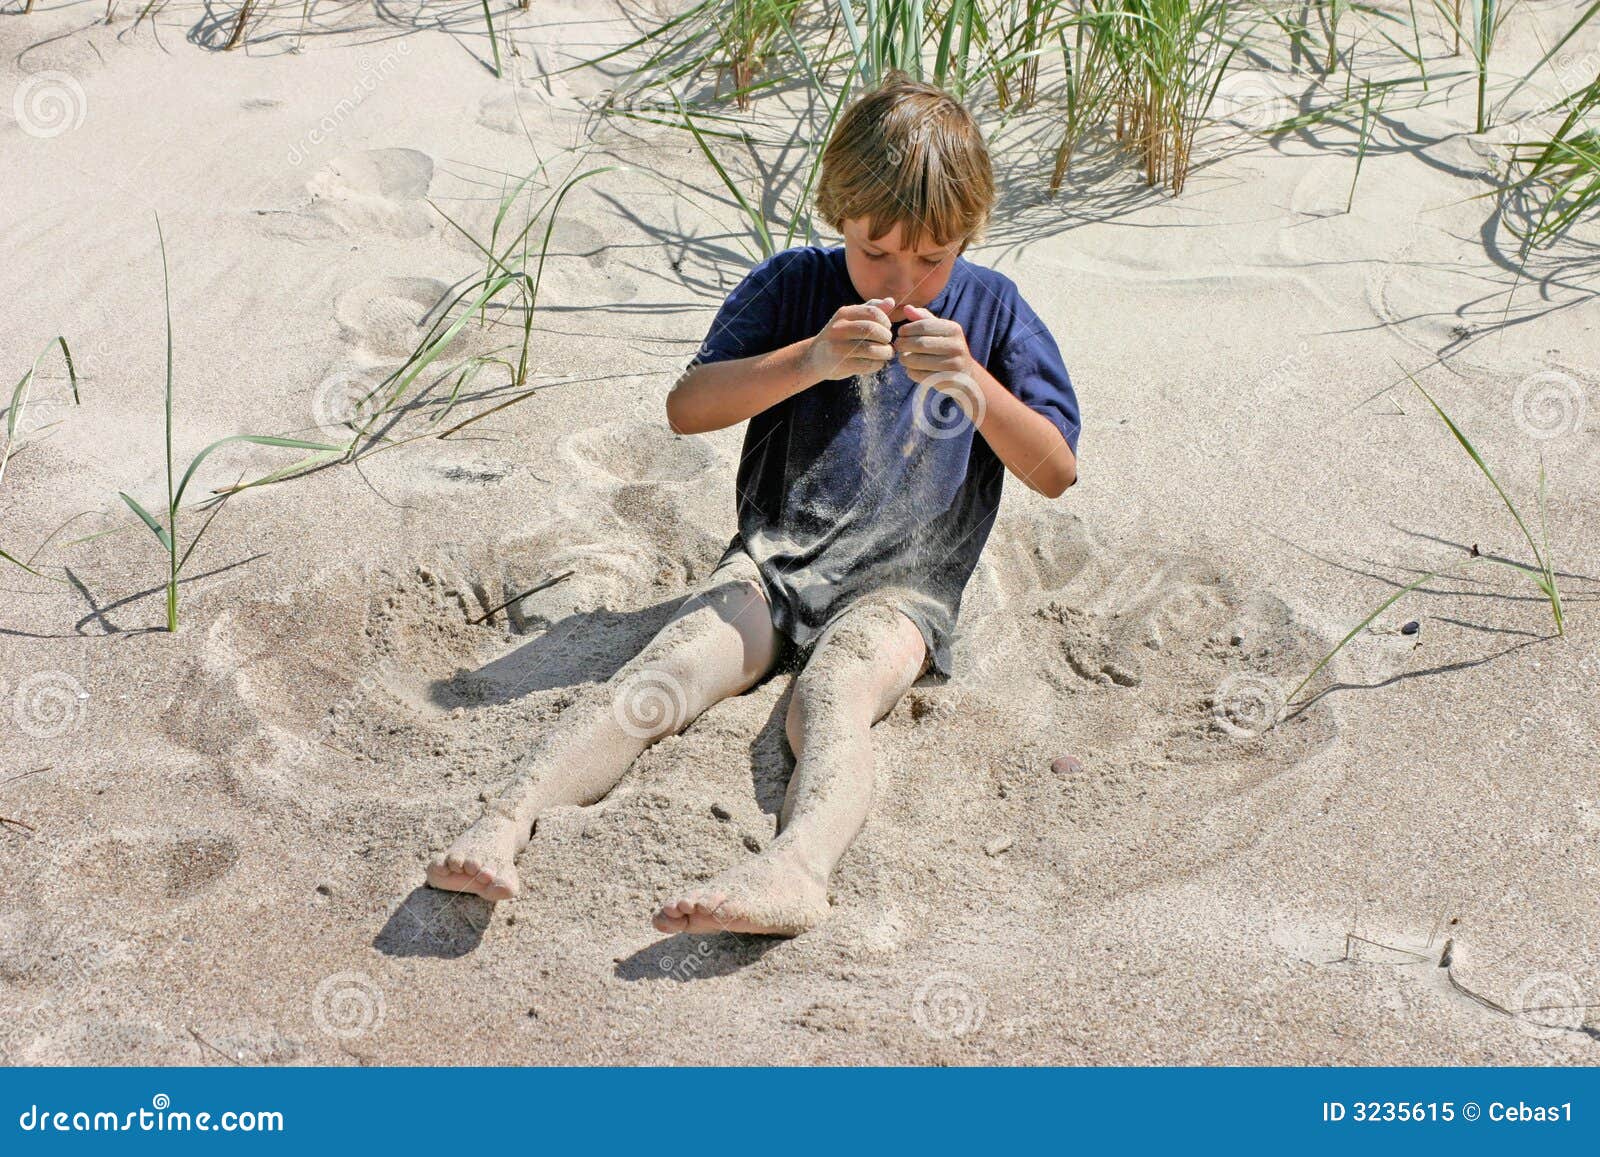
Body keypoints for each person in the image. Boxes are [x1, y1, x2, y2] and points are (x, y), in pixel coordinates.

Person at [426, 70, 1081, 937]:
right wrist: (809, 359)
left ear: (967, 236)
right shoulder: (795, 288)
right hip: (773, 561)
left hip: (903, 592)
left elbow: (1055, 470)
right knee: (669, 669)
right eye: (875, 249)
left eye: (933, 256)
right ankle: (507, 816)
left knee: (835, 695)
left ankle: (799, 868)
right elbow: (686, 407)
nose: (904, 280)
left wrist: (973, 384)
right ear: (838, 214)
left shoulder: (993, 312)